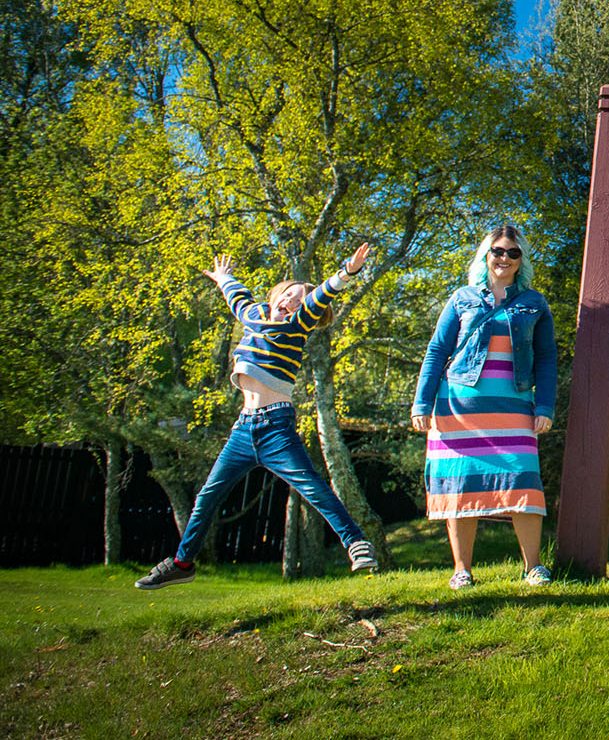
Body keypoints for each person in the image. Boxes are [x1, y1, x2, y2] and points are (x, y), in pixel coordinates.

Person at [134, 246, 380, 588]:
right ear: (277, 294)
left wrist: (348, 272)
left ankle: (356, 543)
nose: (293, 302)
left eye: (298, 300)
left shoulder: (296, 325)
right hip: (243, 429)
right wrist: (224, 277)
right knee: (207, 496)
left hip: (275, 427)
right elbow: (237, 298)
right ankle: (182, 562)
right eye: (290, 295)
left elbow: (323, 294)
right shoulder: (254, 316)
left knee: (311, 486)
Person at [411, 223, 558, 588]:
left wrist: (545, 406)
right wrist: (421, 404)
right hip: (458, 408)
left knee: (523, 480)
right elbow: (436, 352)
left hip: (514, 407)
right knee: (460, 485)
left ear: (521, 260)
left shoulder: (533, 302)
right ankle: (462, 570)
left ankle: (534, 567)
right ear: (486, 255)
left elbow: (547, 358)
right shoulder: (462, 298)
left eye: (513, 252)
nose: (504, 258)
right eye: (498, 251)